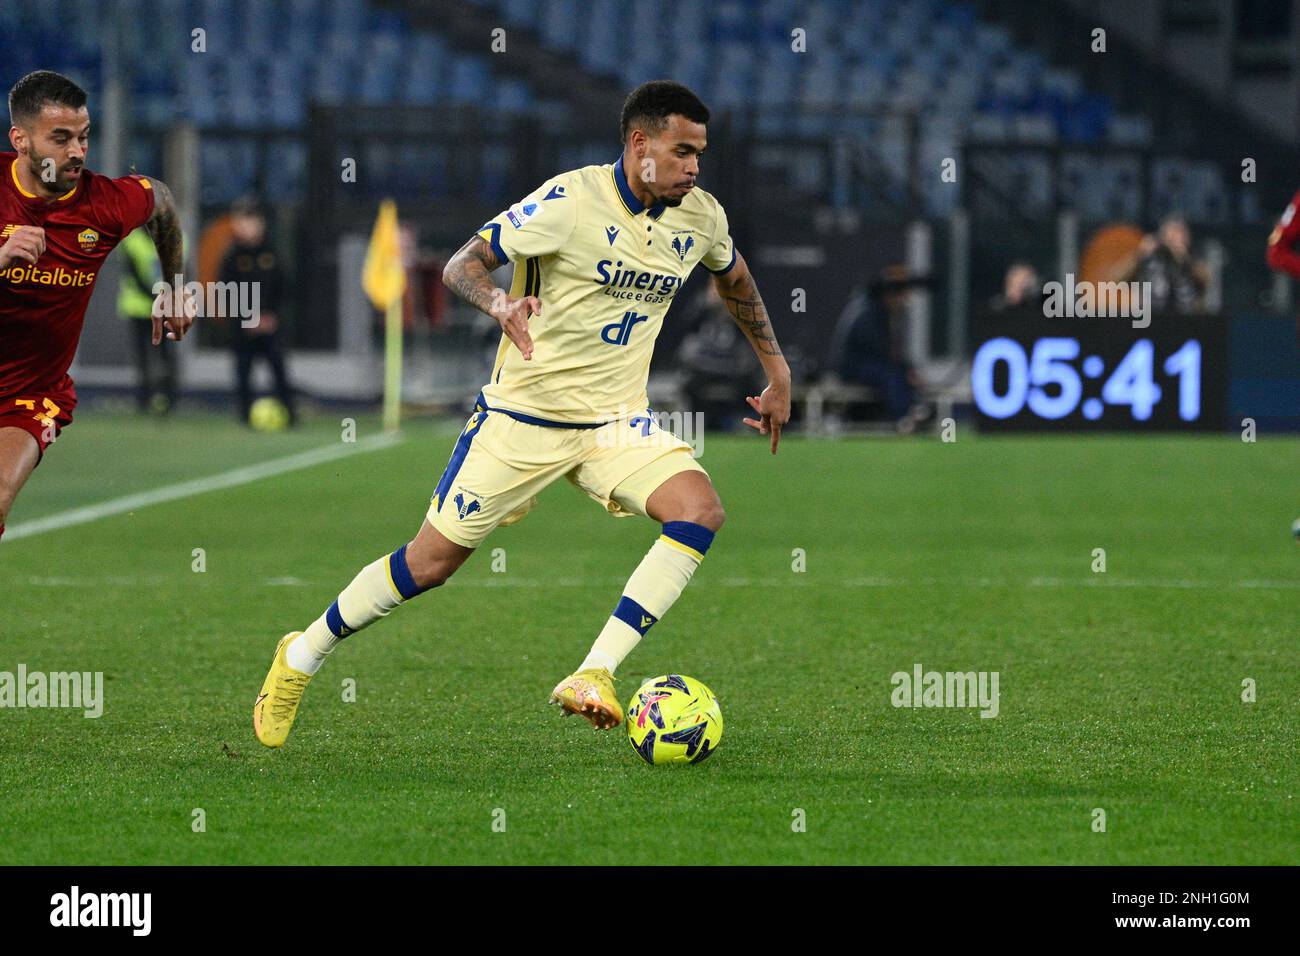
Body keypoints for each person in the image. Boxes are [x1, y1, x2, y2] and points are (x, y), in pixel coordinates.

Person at [252, 80, 791, 746]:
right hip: (521, 421)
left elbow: (733, 276)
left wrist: (777, 371)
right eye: (682, 151)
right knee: (429, 565)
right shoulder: (568, 202)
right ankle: (301, 655)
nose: (693, 167)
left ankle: (595, 672)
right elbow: (462, 264)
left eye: (700, 154)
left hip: (614, 424)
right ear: (639, 144)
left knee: (700, 509)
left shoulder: (699, 215)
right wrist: (498, 304)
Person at [0, 70, 190, 543]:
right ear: (20, 140)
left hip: (29, 396)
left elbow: (161, 202)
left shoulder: (104, 204)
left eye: (83, 137)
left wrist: (174, 286)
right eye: (60, 138)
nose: (77, 152)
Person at [218, 198, 295, 425]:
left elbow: (284, 289)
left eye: (249, 222)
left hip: (270, 325)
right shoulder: (232, 257)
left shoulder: (273, 253)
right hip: (243, 329)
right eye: (241, 222)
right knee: (243, 372)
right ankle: (245, 415)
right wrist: (244, 319)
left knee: (279, 368)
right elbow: (225, 292)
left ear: (260, 224)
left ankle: (289, 413)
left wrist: (272, 316)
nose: (245, 227)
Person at [832, 266, 931, 431]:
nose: (905, 300)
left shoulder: (883, 312)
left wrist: (908, 370)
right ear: (889, 294)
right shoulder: (867, 312)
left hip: (871, 363)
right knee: (891, 376)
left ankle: (916, 409)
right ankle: (904, 418)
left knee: (895, 374)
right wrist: (906, 371)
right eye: (901, 294)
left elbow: (891, 351)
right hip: (854, 366)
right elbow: (880, 348)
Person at [118, 226, 176, 414]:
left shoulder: (176, 236)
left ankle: (169, 398)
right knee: (143, 358)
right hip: (140, 308)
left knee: (167, 357)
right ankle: (144, 399)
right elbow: (133, 273)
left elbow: (182, 269)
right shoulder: (132, 240)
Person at [1128, 215, 1207, 314]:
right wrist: (1138, 255)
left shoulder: (1190, 260)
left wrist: (1183, 259)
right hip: (1150, 318)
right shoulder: (1150, 258)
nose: (1177, 237)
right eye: (1173, 232)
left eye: (1181, 233)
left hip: (1184, 320)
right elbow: (1115, 278)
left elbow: (1205, 279)